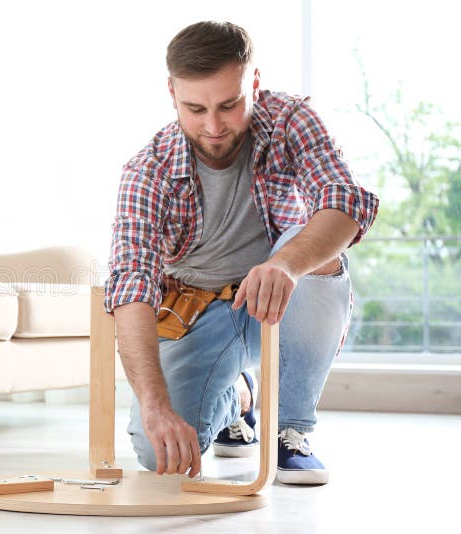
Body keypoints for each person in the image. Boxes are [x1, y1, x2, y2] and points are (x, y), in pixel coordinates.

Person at [104, 21, 379, 485]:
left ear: (253, 83)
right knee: (158, 454)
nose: (213, 126)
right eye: (195, 109)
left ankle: (290, 428)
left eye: (229, 105)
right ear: (172, 94)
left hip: (278, 301)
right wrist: (154, 407)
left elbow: (343, 202)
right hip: (197, 315)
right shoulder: (146, 171)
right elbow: (132, 282)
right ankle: (240, 396)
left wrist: (285, 264)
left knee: (314, 250)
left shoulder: (290, 119)